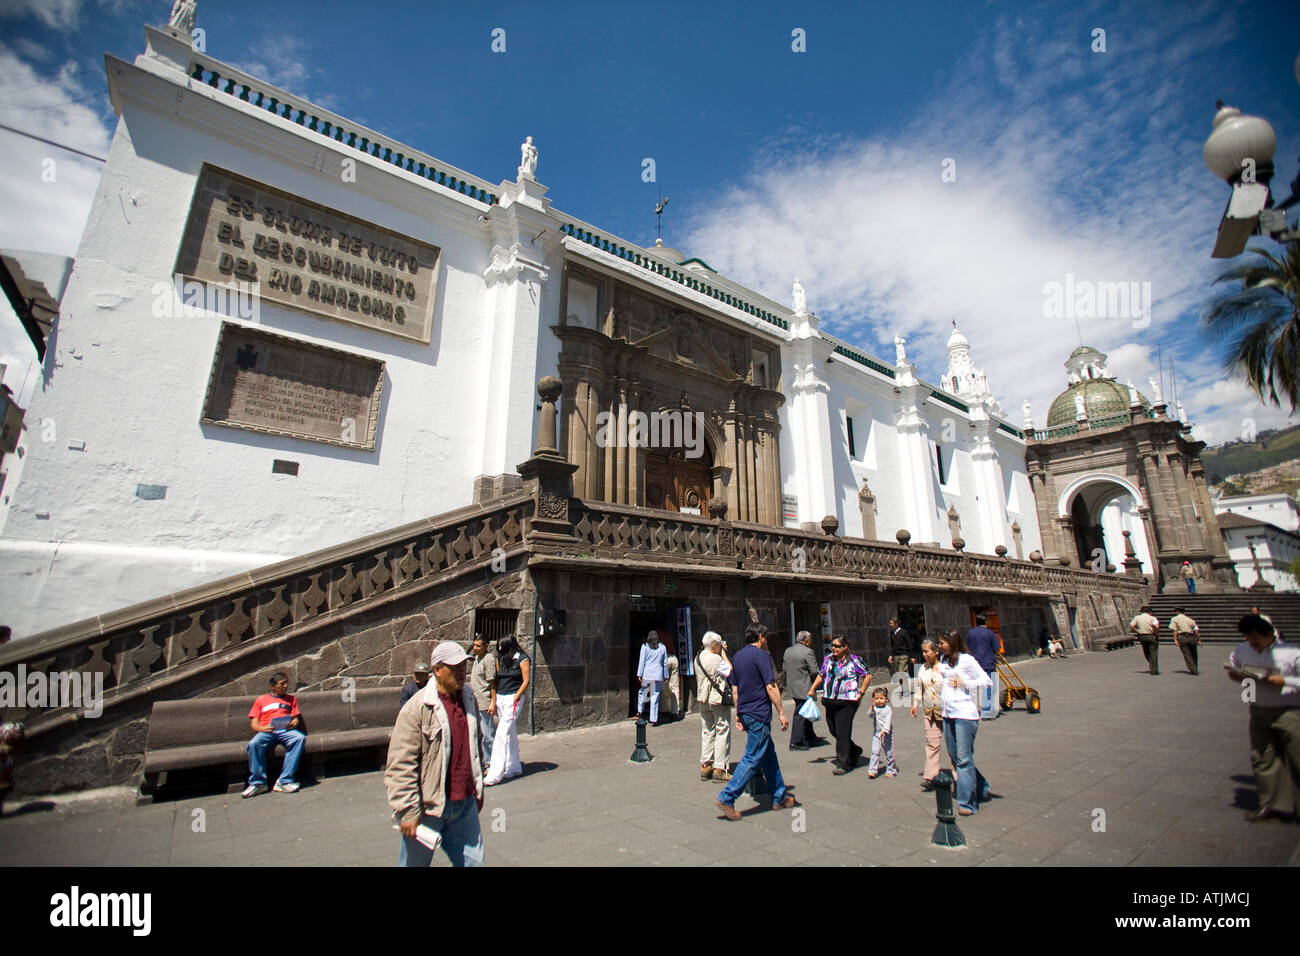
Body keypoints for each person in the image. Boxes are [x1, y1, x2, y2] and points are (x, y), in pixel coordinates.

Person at [385, 642, 485, 866]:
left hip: (465, 804)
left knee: (474, 864)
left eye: (463, 667)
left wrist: (479, 786)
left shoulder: (469, 699)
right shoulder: (417, 708)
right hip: (429, 807)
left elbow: (476, 746)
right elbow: (401, 763)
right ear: (437, 670)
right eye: (454, 667)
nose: (461, 672)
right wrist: (408, 810)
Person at [714, 626, 796, 820]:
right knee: (752, 756)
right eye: (765, 637)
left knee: (768, 754)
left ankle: (779, 795)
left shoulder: (739, 657)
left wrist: (738, 714)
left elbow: (735, 689)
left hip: (747, 712)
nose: (766, 640)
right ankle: (727, 796)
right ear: (760, 637)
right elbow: (771, 685)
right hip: (759, 712)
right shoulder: (761, 656)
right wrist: (782, 712)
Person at [1224, 614, 1300, 822]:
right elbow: (1237, 669)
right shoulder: (1242, 651)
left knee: (1297, 758)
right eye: (1248, 637)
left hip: (1290, 711)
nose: (1252, 642)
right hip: (1259, 711)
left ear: (1270, 635)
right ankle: (1270, 804)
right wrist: (1238, 678)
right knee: (1262, 758)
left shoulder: (1291, 653)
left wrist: (1286, 681)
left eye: (1255, 637)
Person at [937, 629, 992, 816]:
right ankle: (982, 785)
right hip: (948, 714)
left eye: (942, 643)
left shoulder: (966, 660)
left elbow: (987, 680)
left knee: (963, 759)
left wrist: (965, 683)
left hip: (964, 715)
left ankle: (966, 803)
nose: (939, 646)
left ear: (952, 643)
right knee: (955, 755)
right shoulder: (944, 661)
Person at [806, 634, 871, 775]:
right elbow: (822, 675)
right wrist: (812, 689)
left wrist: (861, 693)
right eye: (832, 645)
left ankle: (843, 763)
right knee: (833, 730)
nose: (833, 648)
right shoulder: (828, 659)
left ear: (845, 647)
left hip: (847, 701)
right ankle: (854, 750)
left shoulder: (854, 661)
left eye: (837, 646)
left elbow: (867, 675)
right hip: (830, 699)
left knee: (842, 732)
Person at [242, 673, 305, 798]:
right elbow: (254, 723)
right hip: (267, 730)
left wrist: (293, 724)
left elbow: (296, 718)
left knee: (299, 738)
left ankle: (285, 780)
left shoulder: (291, 699)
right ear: (273, 686)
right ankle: (258, 783)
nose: (285, 686)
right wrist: (261, 728)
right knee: (254, 744)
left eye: (286, 683)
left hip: (285, 729)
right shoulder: (261, 700)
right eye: (282, 684)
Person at [484, 634, 530, 785]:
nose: (498, 648)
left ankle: (495, 773)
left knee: (501, 734)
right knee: (510, 732)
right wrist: (494, 699)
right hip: (501, 697)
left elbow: (526, 680)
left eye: (501, 645)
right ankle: (514, 766)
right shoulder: (501, 660)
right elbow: (497, 680)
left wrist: (517, 695)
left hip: (513, 698)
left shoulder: (522, 658)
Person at [695, 631, 732, 782]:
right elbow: (729, 670)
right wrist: (723, 653)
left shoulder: (698, 657)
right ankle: (719, 768)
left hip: (702, 698)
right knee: (722, 729)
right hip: (716, 699)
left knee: (707, 730)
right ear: (715, 645)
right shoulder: (716, 659)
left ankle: (705, 765)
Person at [911, 637, 944, 791]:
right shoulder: (923, 668)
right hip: (929, 711)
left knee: (954, 747)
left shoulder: (945, 668)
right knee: (931, 744)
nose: (924, 654)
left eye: (927, 651)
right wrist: (916, 703)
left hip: (946, 711)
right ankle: (931, 776)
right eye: (923, 651)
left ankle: (960, 779)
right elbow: (920, 688)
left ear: (936, 651)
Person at [784, 630, 823, 750]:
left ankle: (810, 737)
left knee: (805, 710)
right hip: (804, 686)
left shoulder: (788, 651)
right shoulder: (808, 652)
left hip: (792, 686)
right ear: (806, 641)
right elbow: (814, 670)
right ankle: (796, 741)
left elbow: (785, 668)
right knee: (800, 713)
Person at [964, 614, 1001, 719]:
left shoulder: (971, 633)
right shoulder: (990, 633)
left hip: (975, 664)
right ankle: (987, 712)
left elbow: (967, 648)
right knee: (988, 687)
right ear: (986, 621)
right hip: (988, 663)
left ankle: (972, 710)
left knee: (972, 688)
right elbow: (997, 649)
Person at [470, 637, 497, 764]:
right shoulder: (477, 658)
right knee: (479, 735)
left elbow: (492, 683)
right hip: (476, 701)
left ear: (486, 646)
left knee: (488, 735)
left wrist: (492, 702)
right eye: (474, 645)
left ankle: (492, 763)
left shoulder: (488, 659)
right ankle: (483, 761)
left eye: (478, 646)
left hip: (485, 702)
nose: (475, 648)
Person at [636, 630, 669, 725]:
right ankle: (654, 719)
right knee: (655, 696)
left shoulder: (645, 647)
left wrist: (639, 674)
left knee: (644, 693)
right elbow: (665, 663)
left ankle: (640, 711)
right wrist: (665, 675)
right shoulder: (662, 647)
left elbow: (642, 661)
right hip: (658, 675)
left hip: (647, 674)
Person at [866, 686, 898, 778]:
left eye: (881, 698)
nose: (879, 700)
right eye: (876, 698)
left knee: (889, 752)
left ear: (886, 699)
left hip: (886, 734)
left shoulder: (887, 709)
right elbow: (870, 715)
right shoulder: (875, 708)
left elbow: (888, 721)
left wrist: (884, 731)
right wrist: (872, 708)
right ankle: (872, 770)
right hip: (876, 734)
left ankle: (891, 769)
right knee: (875, 751)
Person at [1129, 605, 1161, 675]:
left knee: (1146, 651)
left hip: (1142, 636)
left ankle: (1151, 664)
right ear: (1149, 612)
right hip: (1151, 636)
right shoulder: (1152, 618)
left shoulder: (1137, 617)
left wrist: (1137, 631)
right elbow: (1157, 626)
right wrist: (1156, 635)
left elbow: (1131, 626)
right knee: (1154, 652)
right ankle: (1154, 669)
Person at [1169, 607, 1201, 675]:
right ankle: (1195, 667)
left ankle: (1193, 669)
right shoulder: (1190, 620)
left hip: (1182, 637)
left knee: (1187, 654)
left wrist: (1175, 639)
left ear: (1177, 612)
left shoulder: (1175, 619)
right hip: (1192, 637)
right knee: (1194, 654)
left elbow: (1175, 630)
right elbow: (1196, 631)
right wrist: (1198, 639)